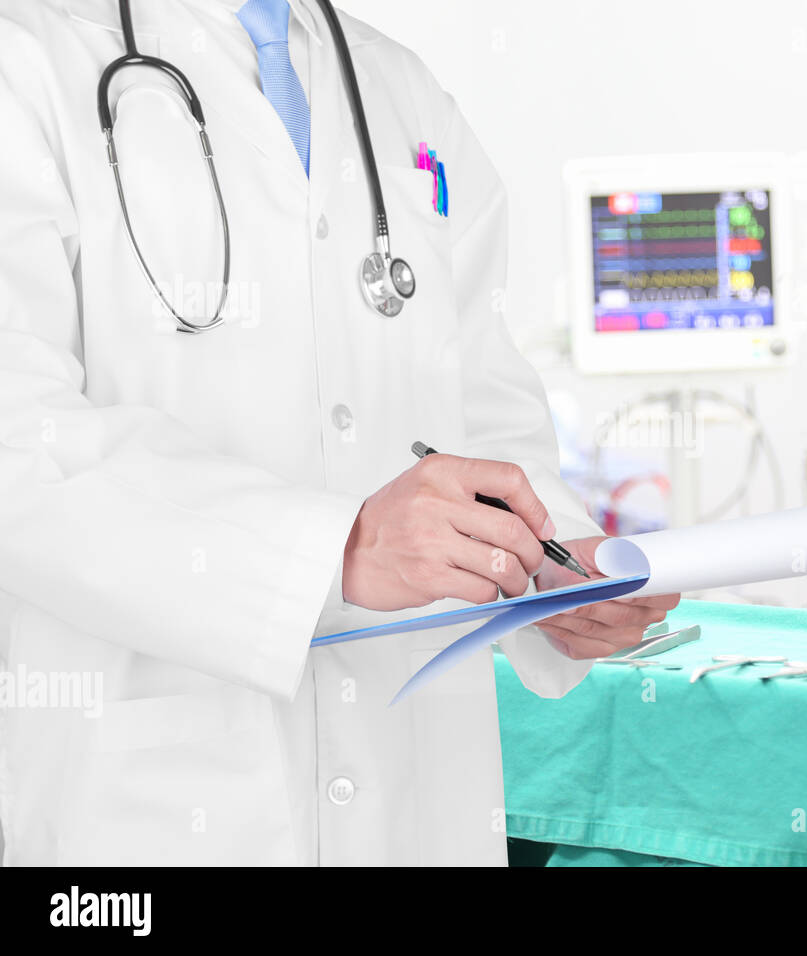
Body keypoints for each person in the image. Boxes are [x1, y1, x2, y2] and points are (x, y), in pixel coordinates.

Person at [0, 0, 679, 865]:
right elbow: (18, 444)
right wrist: (333, 551)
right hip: (160, 810)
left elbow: (484, 406)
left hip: (417, 795)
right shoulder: (26, 60)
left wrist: (553, 565)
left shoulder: (398, 90)